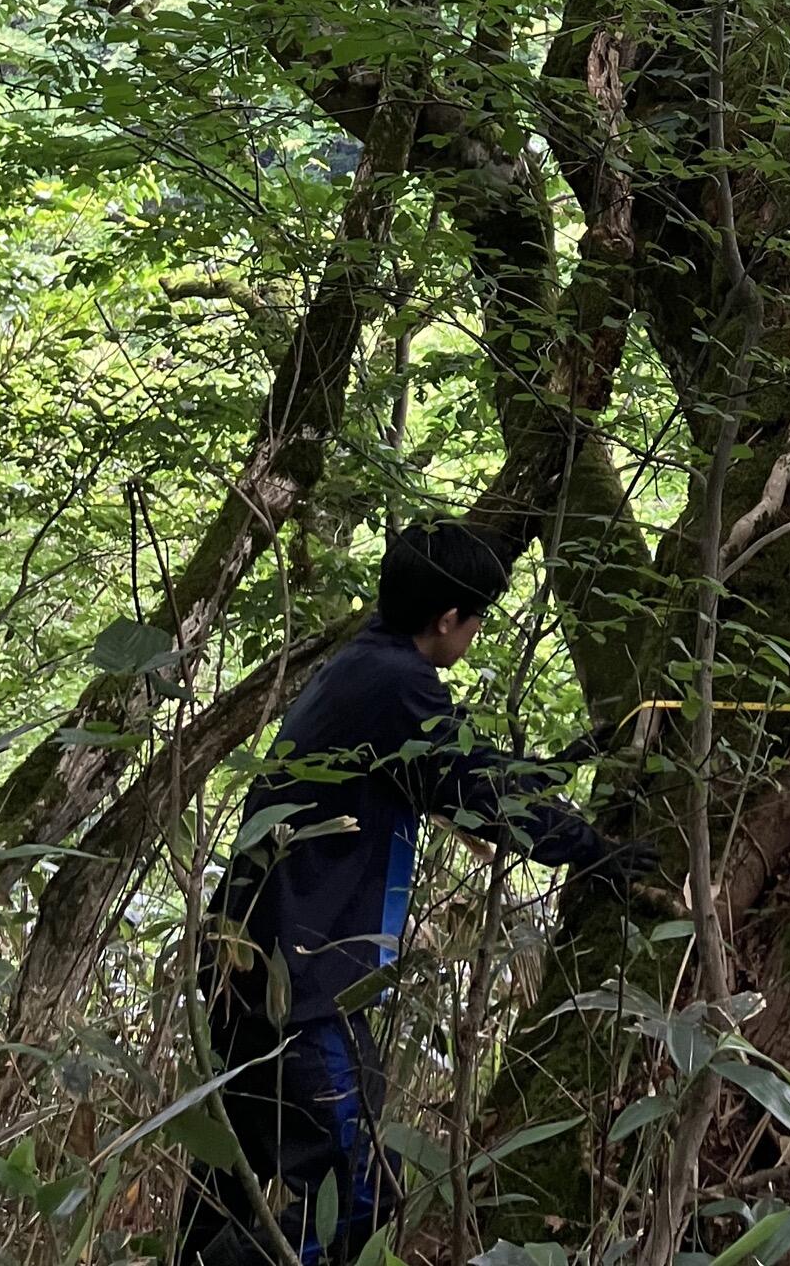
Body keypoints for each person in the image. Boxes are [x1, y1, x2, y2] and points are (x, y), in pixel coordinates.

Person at [177, 522, 641, 1266]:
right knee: (351, 1194)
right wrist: (592, 850)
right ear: (448, 619)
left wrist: (556, 771)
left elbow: (453, 765)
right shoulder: (394, 684)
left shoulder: (363, 666)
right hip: (305, 984)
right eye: (478, 618)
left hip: (251, 969)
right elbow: (473, 790)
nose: (476, 634)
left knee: (239, 1179)